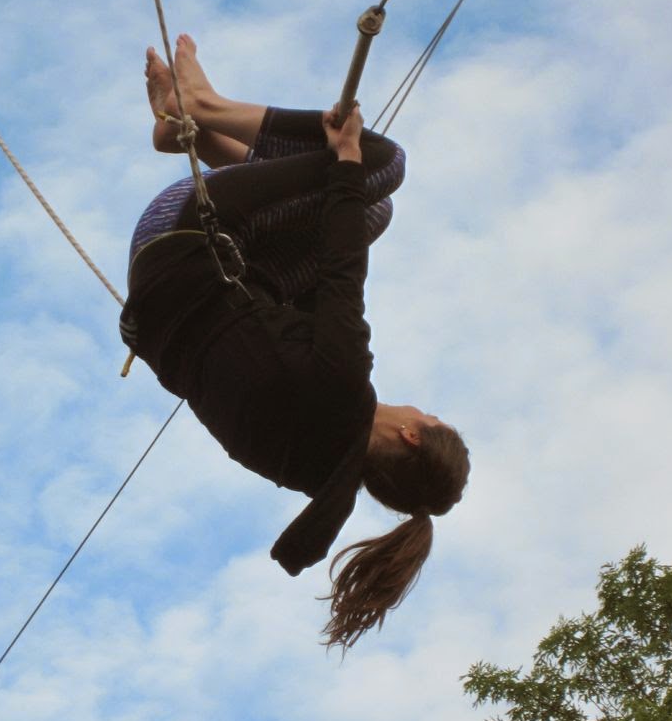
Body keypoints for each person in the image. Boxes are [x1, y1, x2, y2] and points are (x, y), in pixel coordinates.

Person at [121, 35, 469, 648]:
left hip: (187, 235)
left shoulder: (342, 386)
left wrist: (347, 160)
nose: (421, 407)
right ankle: (192, 137)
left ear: (413, 434)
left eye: (429, 416)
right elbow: (291, 311)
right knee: (365, 214)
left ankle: (203, 107)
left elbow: (342, 273)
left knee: (380, 168)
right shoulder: (309, 468)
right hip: (162, 282)